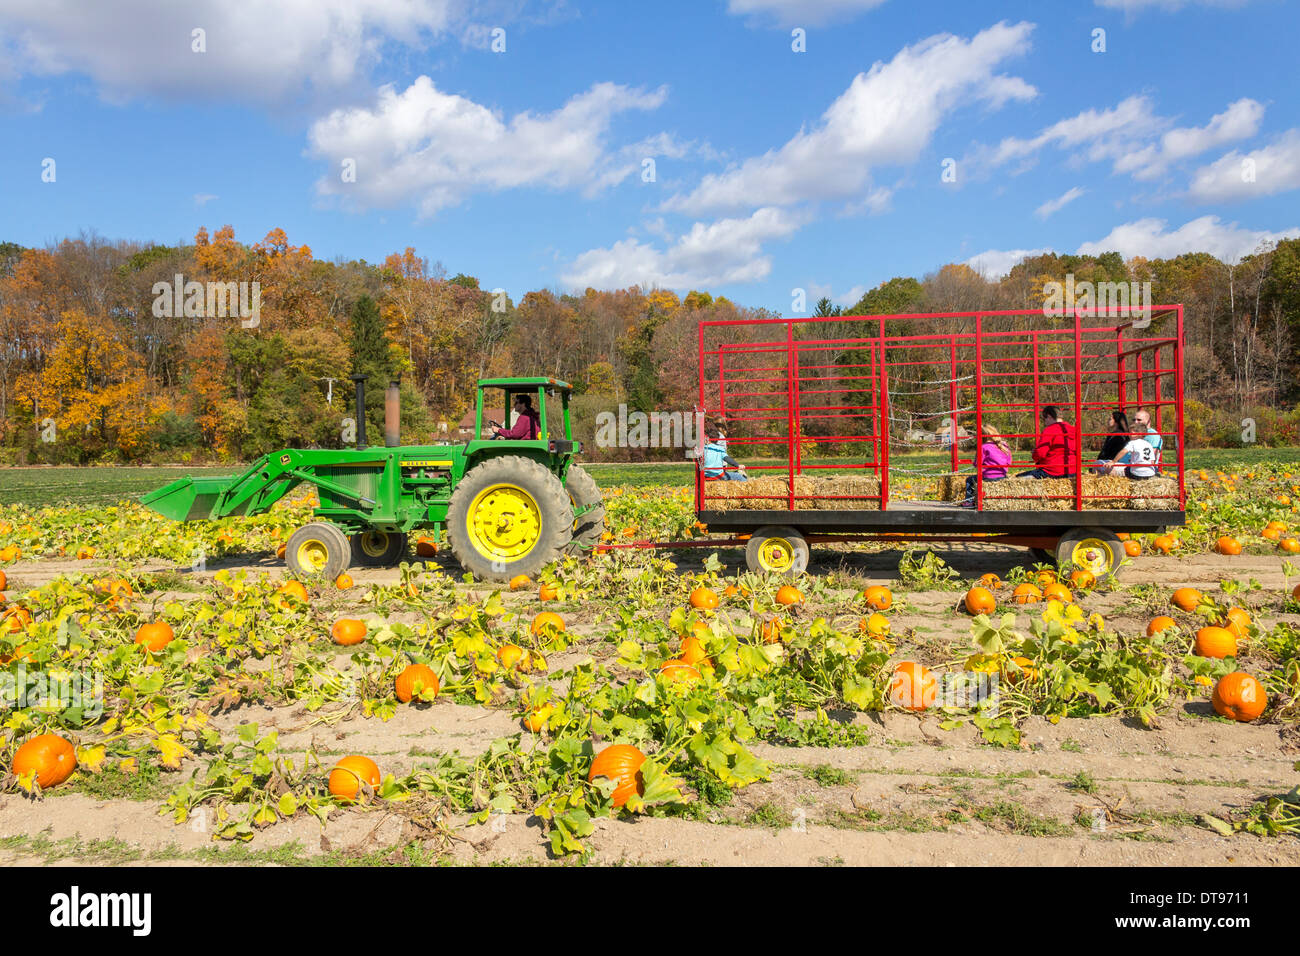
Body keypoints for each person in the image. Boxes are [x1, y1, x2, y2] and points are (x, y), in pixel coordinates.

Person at [1018, 406, 1076, 479]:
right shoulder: (1073, 429)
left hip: (1052, 471)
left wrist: (1035, 453)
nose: (1045, 422)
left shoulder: (1049, 430)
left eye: (1044, 418)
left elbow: (1040, 453)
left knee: (1019, 478)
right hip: (1072, 470)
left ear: (1049, 416)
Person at [961, 424, 1011, 507]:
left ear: (983, 436)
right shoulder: (1004, 446)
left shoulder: (984, 447)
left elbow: (977, 464)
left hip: (988, 476)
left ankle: (969, 501)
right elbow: (1009, 462)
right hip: (1003, 475)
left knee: (969, 480)